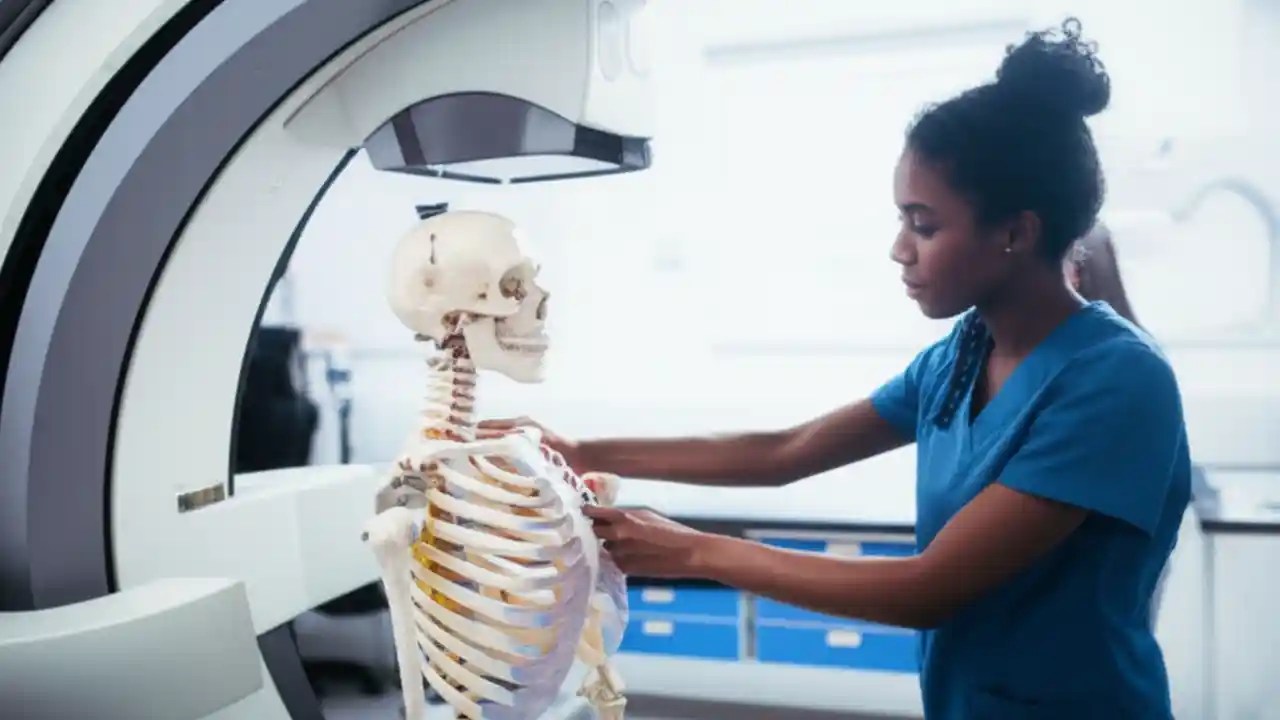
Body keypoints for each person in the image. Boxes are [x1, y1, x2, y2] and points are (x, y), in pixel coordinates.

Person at [481, 18, 1189, 719]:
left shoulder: (1115, 382)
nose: (899, 250)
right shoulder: (960, 356)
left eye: (924, 224)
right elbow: (786, 452)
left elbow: (926, 590)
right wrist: (579, 450)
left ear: (1014, 232)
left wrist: (697, 553)